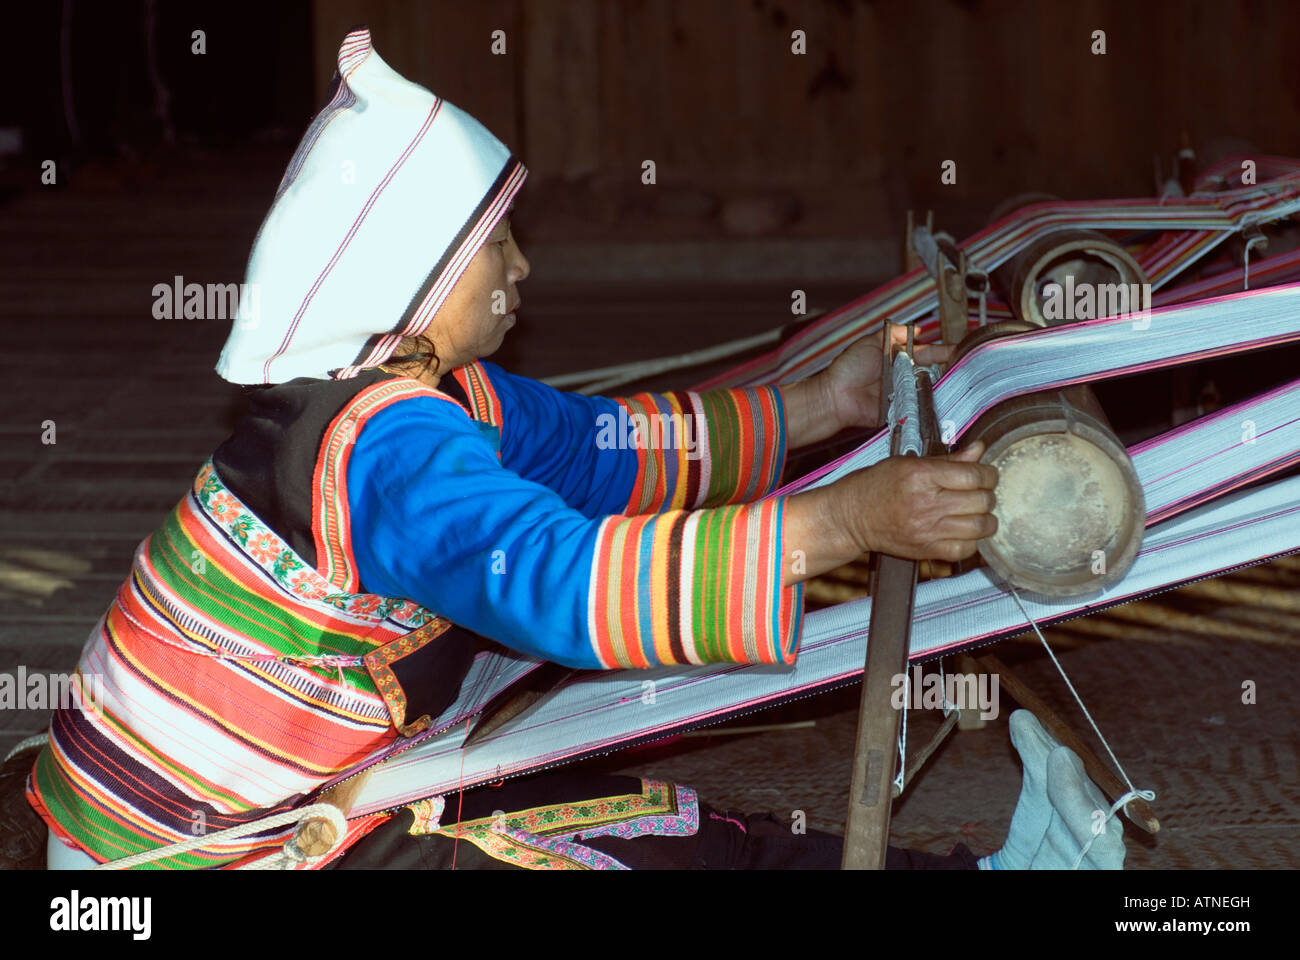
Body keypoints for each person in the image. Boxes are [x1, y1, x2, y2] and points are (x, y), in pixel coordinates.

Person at [5, 27, 1124, 871]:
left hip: (191, 811)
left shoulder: (429, 400)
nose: (521, 271)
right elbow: (563, 581)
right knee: (626, 842)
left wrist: (825, 403)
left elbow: (606, 450)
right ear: (420, 282)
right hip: (216, 853)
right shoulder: (382, 451)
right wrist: (845, 522)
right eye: (499, 246)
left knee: (637, 813)